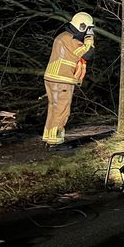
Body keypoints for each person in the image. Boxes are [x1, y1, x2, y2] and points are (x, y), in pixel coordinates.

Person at [42, 12, 95, 148]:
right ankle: (54, 141)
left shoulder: (63, 36)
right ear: (82, 27)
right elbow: (88, 53)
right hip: (62, 79)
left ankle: (49, 137)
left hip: (53, 77)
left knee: (54, 108)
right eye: (88, 28)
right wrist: (90, 37)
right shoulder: (70, 39)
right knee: (61, 110)